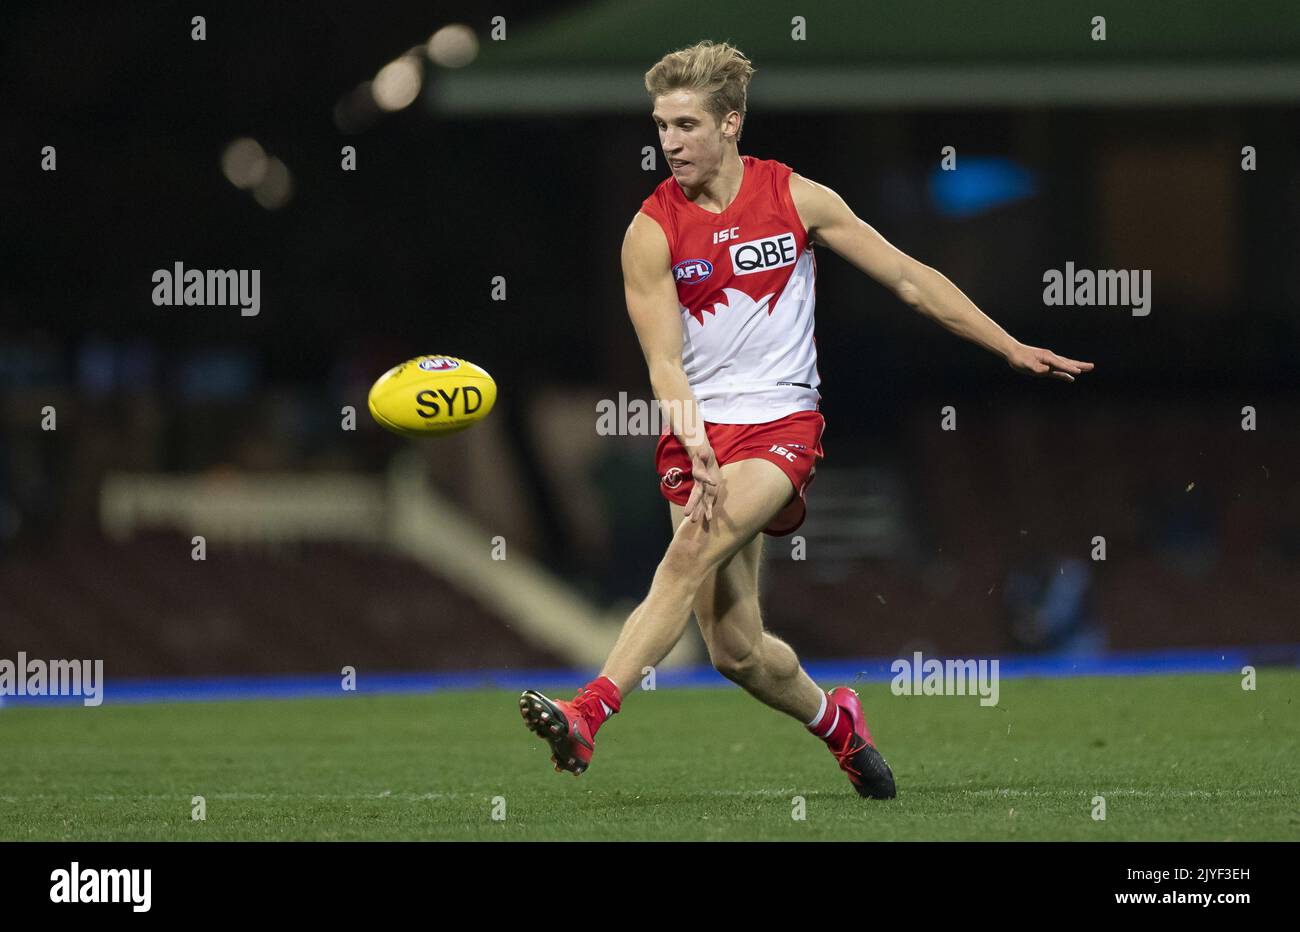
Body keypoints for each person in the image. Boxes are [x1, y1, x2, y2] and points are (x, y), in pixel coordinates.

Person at [520, 40, 1093, 799]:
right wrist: (694, 441)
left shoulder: (796, 198)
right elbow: (662, 362)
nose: (670, 143)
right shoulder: (650, 232)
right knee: (735, 650)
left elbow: (910, 280)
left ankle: (589, 712)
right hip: (699, 430)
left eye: (687, 125)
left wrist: (1009, 344)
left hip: (781, 424)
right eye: (661, 126)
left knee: (689, 550)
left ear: (731, 123)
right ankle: (839, 723)